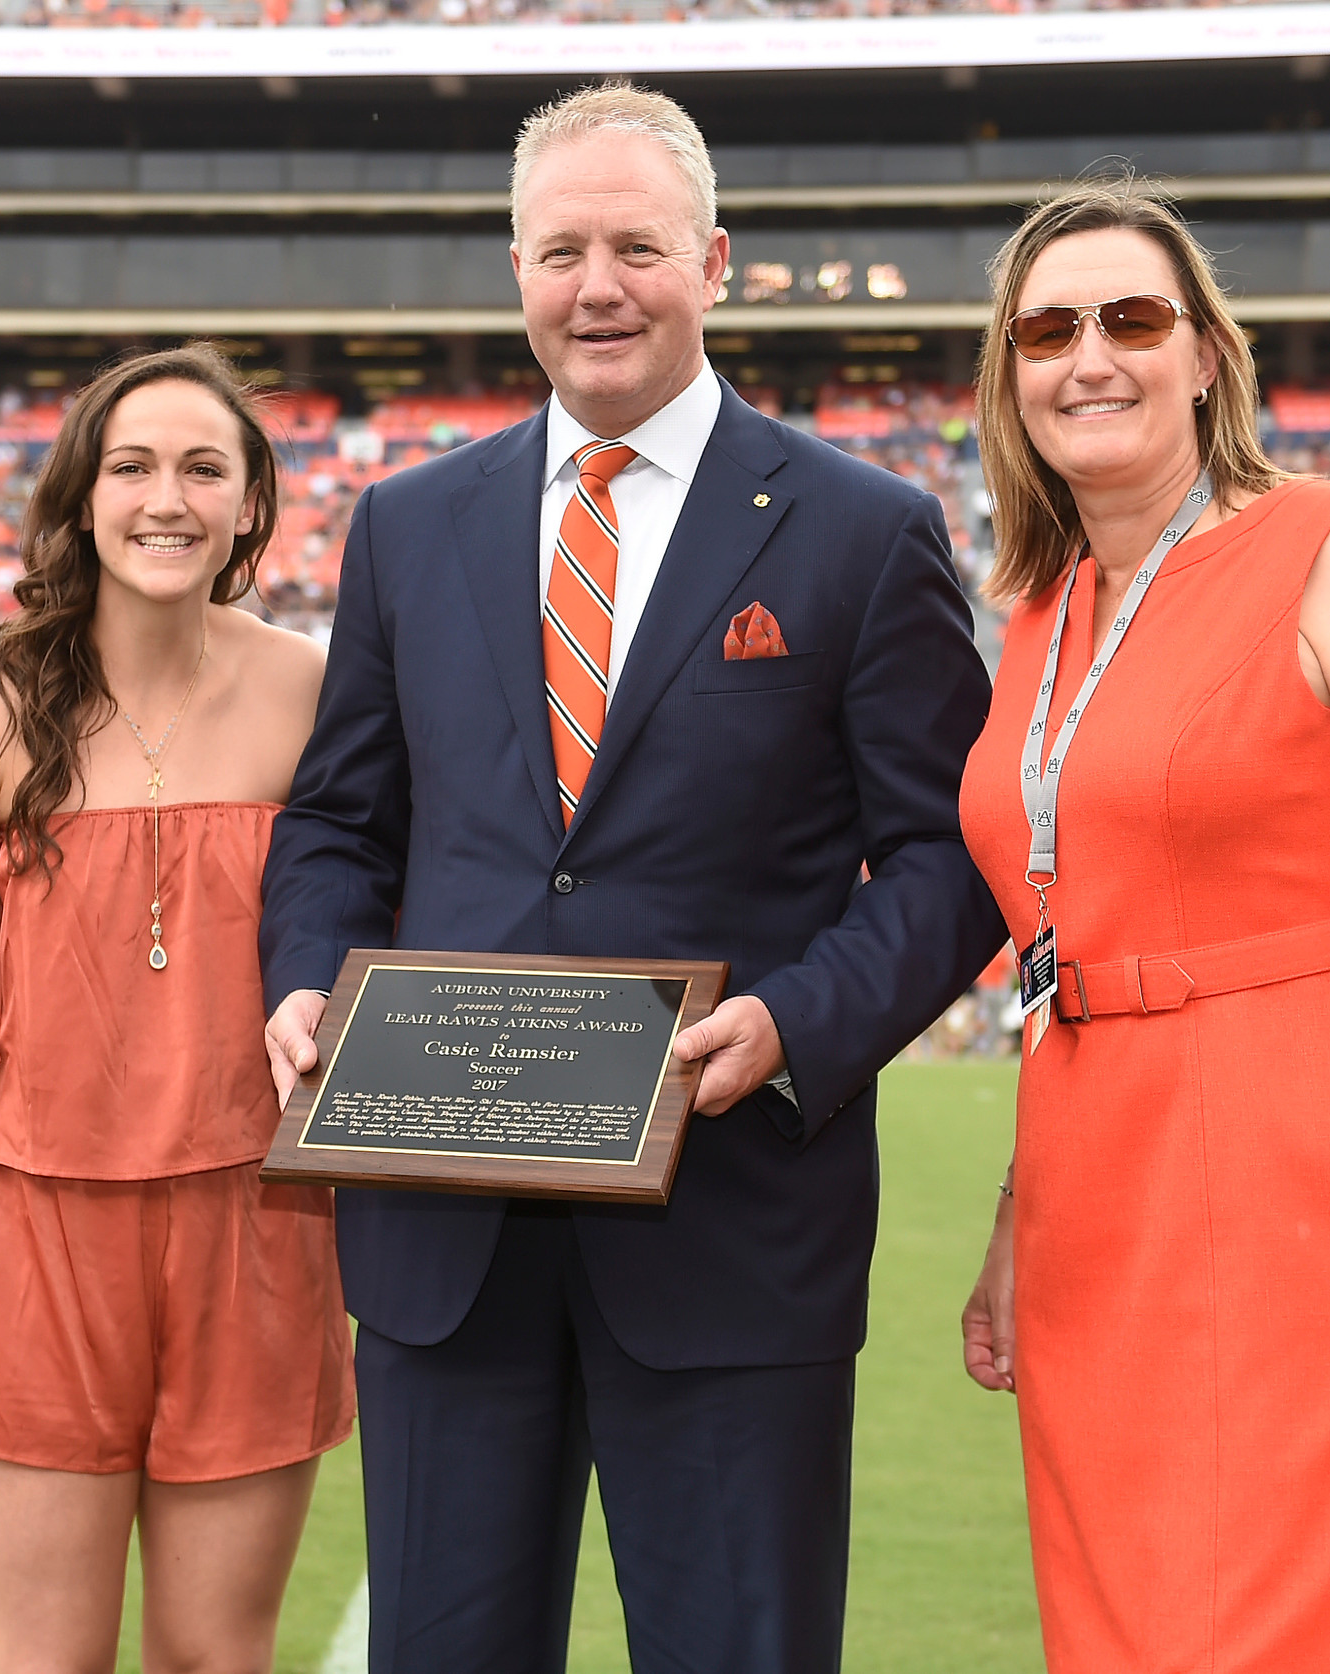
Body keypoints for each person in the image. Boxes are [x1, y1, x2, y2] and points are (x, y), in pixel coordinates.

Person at [260, 83, 1005, 1674]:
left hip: (733, 1229)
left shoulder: (864, 533)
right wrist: (308, 977)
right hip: (446, 1233)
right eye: (561, 250)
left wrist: (796, 1027)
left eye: (638, 247)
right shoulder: (406, 525)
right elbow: (337, 823)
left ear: (715, 259)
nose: (597, 286)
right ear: (515, 272)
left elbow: (954, 858)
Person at [956, 178, 1330, 1673]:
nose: (1088, 357)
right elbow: (1057, 920)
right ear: (1009, 372)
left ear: (1206, 353)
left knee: (1322, 1622)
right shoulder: (1040, 608)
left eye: (1132, 317)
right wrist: (1016, 1221)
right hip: (1101, 1200)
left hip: (1315, 1169)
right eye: (1047, 329)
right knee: (1129, 1623)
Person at [0, 343, 353, 1674]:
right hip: (34, 1240)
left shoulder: (311, 695)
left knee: (219, 1653)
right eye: (132, 464)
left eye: (205, 467)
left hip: (261, 1232)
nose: (168, 497)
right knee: (45, 1659)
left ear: (251, 503)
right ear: (82, 496)